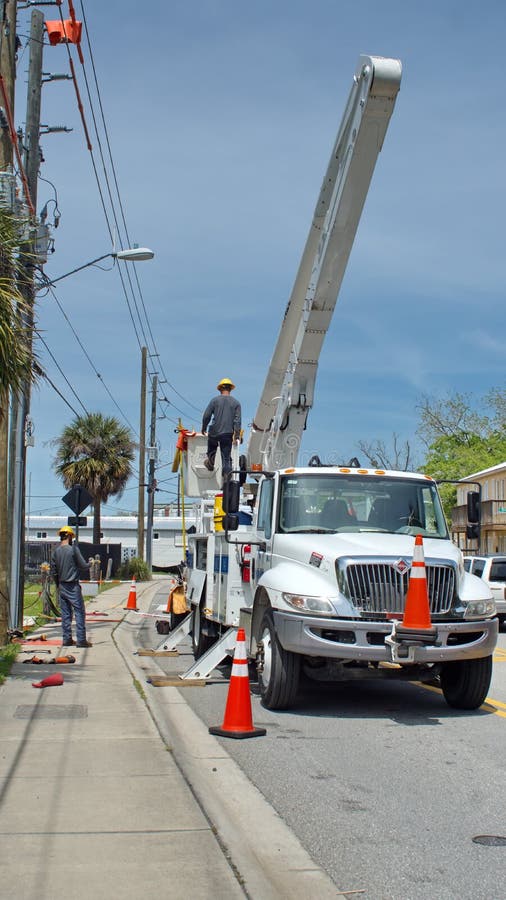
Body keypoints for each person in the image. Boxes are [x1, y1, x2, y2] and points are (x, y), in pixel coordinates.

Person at [50, 526, 92, 648]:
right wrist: (91, 563)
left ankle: (67, 639)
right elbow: (83, 565)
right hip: (72, 585)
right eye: (71, 537)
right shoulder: (73, 550)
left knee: (66, 613)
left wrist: (58, 586)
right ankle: (81, 640)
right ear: (68, 536)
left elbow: (54, 571)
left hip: (62, 585)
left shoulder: (56, 552)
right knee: (79, 612)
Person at [202, 377, 241, 477]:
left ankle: (210, 463)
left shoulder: (214, 401)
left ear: (220, 389)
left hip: (214, 431)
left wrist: (204, 428)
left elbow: (207, 415)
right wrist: (236, 435)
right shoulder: (236, 403)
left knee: (212, 449)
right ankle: (227, 477)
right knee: (226, 458)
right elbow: (237, 421)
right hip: (227, 433)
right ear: (231, 389)